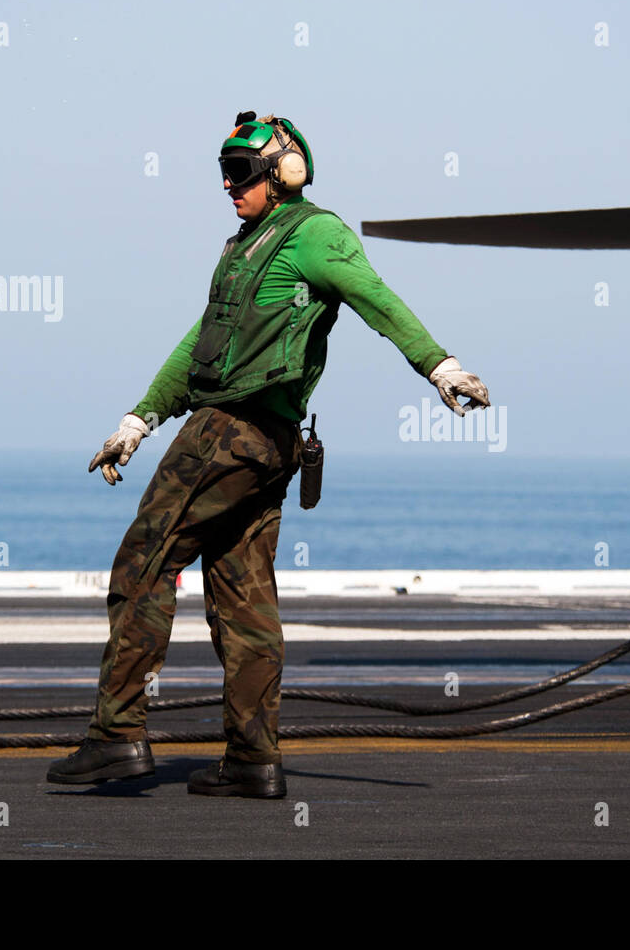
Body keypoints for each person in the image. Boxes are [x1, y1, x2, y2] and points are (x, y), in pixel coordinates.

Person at [46, 112, 490, 797]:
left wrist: (438, 363)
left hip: (231, 431)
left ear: (286, 172)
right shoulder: (247, 250)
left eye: (242, 171)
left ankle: (117, 736)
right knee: (242, 598)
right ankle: (253, 759)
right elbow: (199, 345)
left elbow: (374, 296)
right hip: (265, 448)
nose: (229, 184)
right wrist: (139, 418)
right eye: (223, 172)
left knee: (144, 561)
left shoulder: (314, 233)